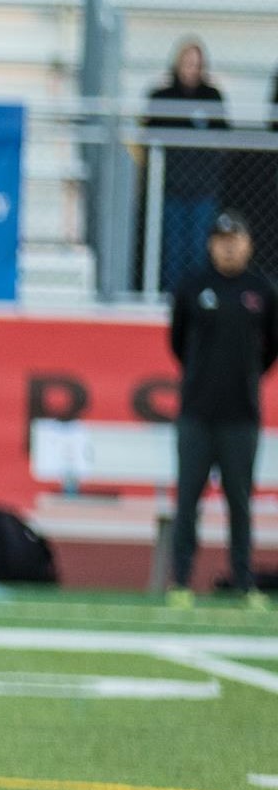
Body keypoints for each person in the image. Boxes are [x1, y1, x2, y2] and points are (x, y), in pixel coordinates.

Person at [166, 210, 277, 610]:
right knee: (187, 501)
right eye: (221, 239)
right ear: (211, 244)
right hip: (197, 414)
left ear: (248, 243)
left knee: (240, 502)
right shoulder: (193, 287)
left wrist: (245, 378)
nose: (228, 246)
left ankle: (244, 581)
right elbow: (177, 342)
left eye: (236, 238)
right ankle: (180, 581)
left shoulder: (262, 290)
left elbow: (271, 348)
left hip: (242, 417)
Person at [143, 38, 232, 294]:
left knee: (198, 247)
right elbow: (149, 135)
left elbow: (222, 136)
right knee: (173, 248)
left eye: (196, 63)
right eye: (186, 62)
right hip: (171, 185)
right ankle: (172, 297)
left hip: (203, 187)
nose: (191, 69)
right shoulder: (162, 96)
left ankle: (199, 297)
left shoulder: (211, 96)